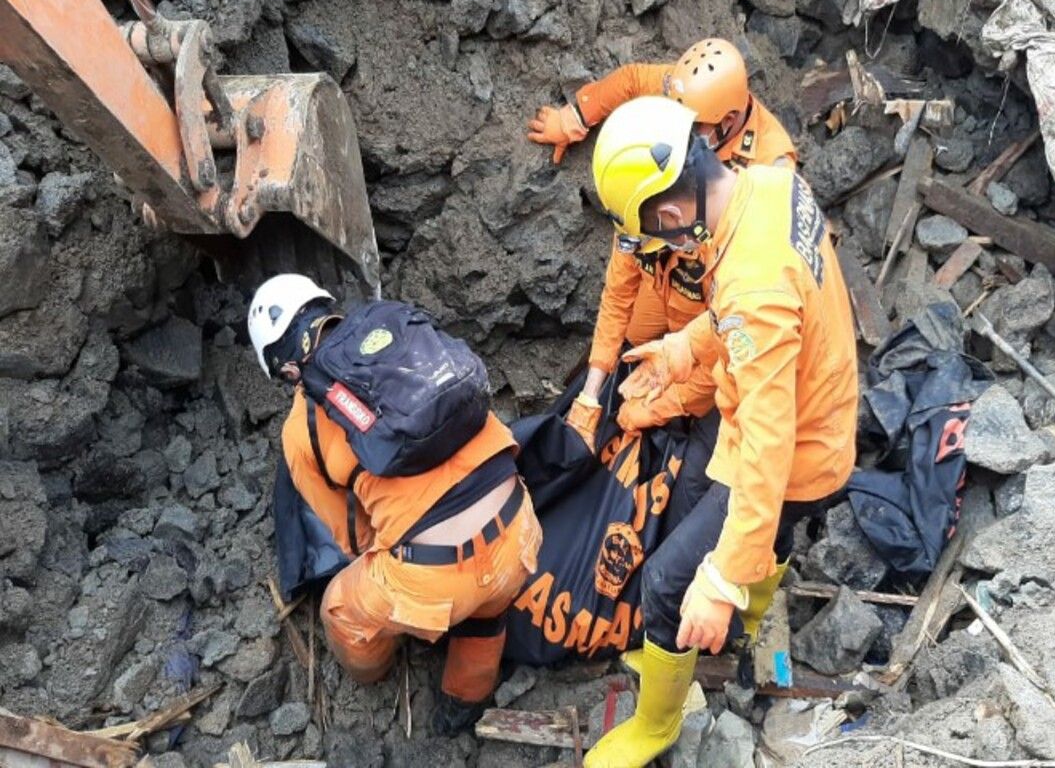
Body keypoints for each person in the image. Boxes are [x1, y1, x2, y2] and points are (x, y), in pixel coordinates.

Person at [582, 97, 859, 767]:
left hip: (792, 450)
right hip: (817, 409)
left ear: (672, 214)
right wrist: (685, 348)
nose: (670, 247)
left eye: (660, 234)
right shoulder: (769, 183)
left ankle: (657, 724)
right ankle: (745, 621)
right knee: (693, 512)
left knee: (668, 584)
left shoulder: (751, 288)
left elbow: (768, 448)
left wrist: (725, 578)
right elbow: (760, 313)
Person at [248, 275, 543, 735]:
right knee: (488, 611)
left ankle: (377, 678)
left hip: (435, 580)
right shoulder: (400, 335)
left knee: (342, 613)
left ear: (285, 370)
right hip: (520, 530)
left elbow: (354, 538)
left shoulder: (302, 425)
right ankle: (464, 705)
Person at [526, 39, 798, 450]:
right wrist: (576, 115)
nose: (683, 131)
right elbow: (634, 80)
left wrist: (665, 405)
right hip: (660, 272)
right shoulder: (679, 103)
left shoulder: (768, 173)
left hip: (708, 296)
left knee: (692, 392)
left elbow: (734, 330)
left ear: (726, 121)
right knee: (630, 349)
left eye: (697, 129)